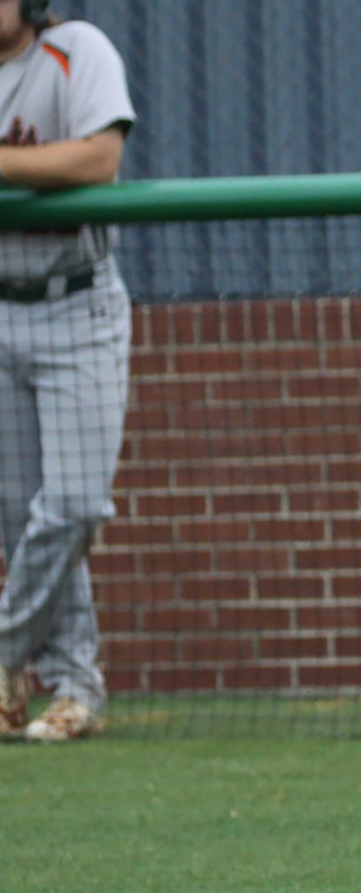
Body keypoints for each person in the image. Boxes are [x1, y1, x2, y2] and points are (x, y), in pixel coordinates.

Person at [0, 0, 136, 742]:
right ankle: (73, 688)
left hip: (75, 301)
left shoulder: (75, 49)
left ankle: (4, 655)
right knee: (23, 519)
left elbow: (98, 157)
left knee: (76, 503)